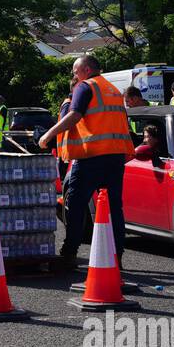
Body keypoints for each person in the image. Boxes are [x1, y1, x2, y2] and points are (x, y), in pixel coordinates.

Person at [38, 55, 135, 270]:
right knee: (114, 208)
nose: (74, 75)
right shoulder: (112, 89)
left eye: (75, 71)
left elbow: (74, 115)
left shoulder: (85, 87)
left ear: (87, 70)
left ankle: (69, 253)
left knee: (76, 205)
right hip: (116, 156)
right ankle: (116, 257)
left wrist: (48, 135)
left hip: (91, 157)